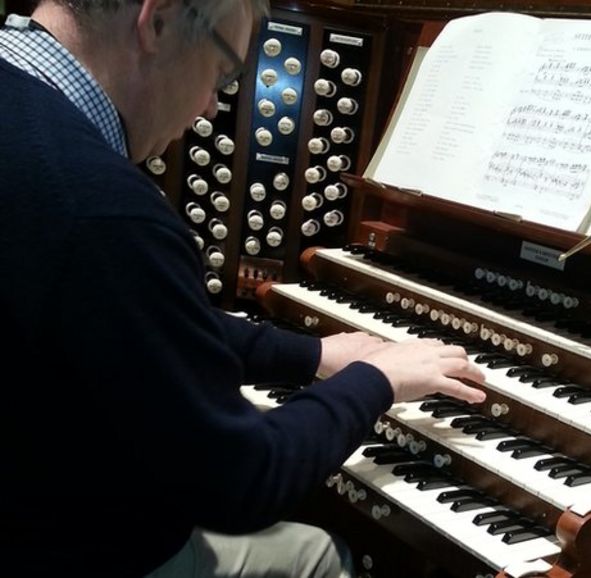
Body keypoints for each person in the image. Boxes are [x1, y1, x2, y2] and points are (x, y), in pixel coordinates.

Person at [0, 1, 487, 577]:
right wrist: (377, 380)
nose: (210, 105)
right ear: (156, 22)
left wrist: (313, 353)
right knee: (317, 555)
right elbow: (241, 481)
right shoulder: (101, 209)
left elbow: (138, 324)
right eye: (223, 70)